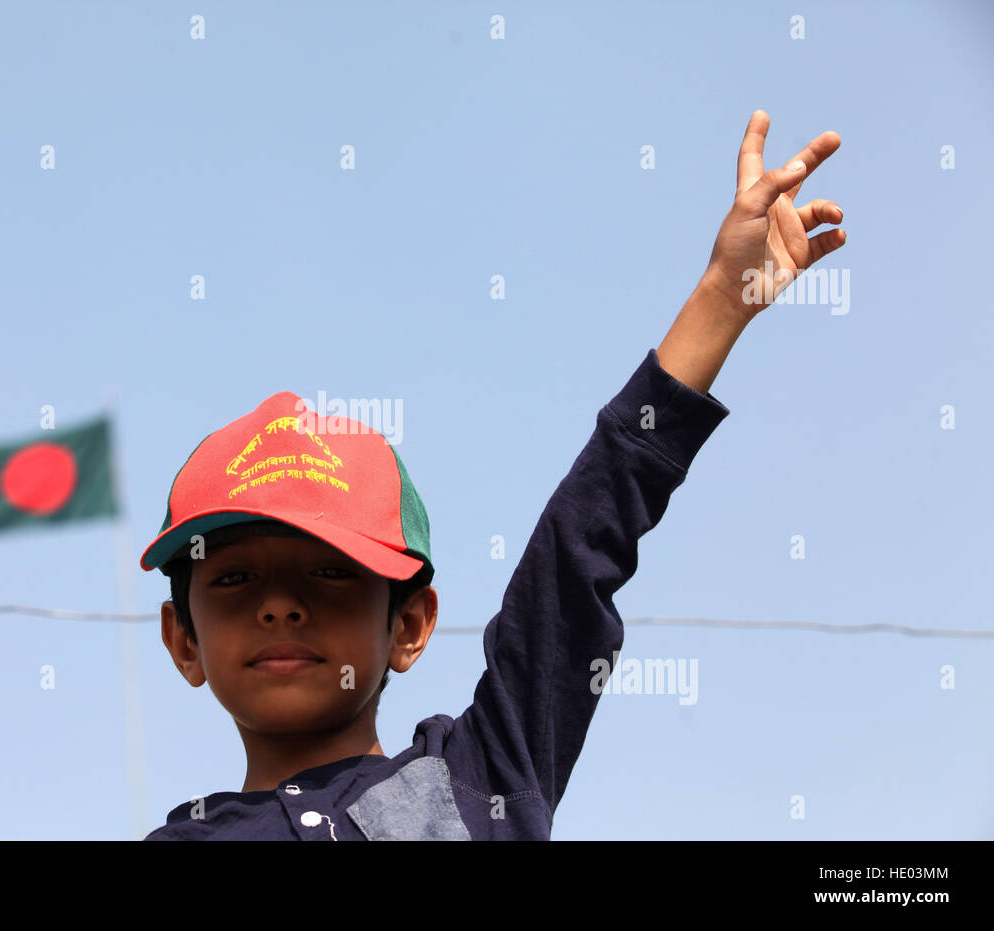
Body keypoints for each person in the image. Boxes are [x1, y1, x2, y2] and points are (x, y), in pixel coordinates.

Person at [139, 111, 845, 840]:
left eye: (330, 572)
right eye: (231, 579)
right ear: (182, 639)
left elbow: (572, 565)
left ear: (409, 625)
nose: (279, 606)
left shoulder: (475, 781)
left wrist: (721, 303)